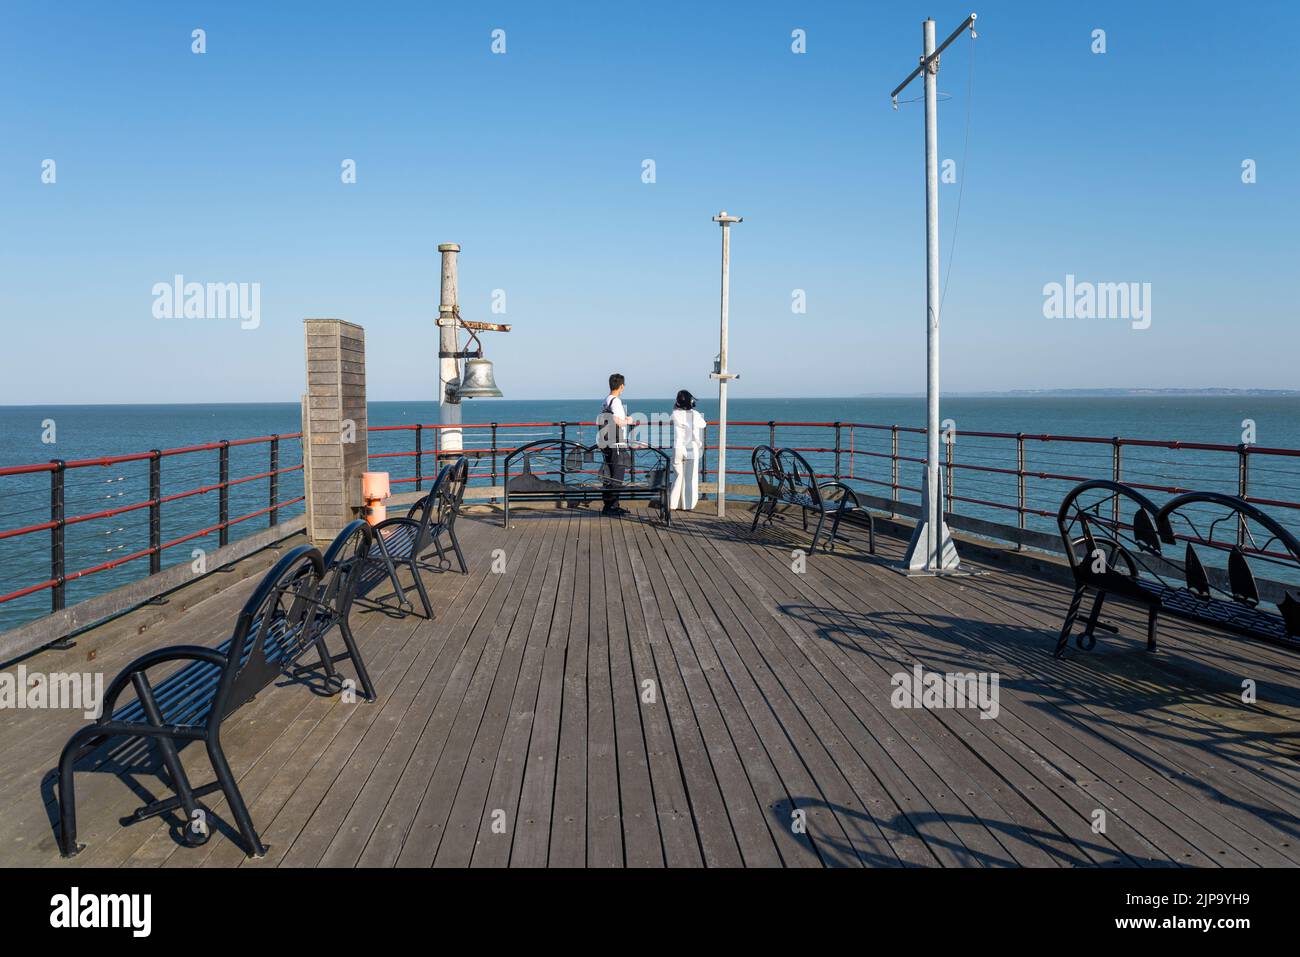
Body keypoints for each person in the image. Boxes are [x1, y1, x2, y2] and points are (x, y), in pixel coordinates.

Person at [599, 373, 632, 515]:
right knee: (617, 476)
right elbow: (618, 421)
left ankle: (609, 505)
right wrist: (629, 420)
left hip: (606, 442)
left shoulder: (606, 400)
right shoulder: (616, 401)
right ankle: (612, 507)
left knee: (609, 474)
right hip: (617, 443)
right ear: (621, 386)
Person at [669, 389, 706, 510]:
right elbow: (703, 424)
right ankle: (688, 505)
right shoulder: (695, 414)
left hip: (678, 447)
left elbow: (675, 411)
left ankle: (673, 504)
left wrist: (677, 406)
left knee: (677, 477)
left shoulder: (675, 414)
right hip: (691, 447)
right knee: (690, 478)